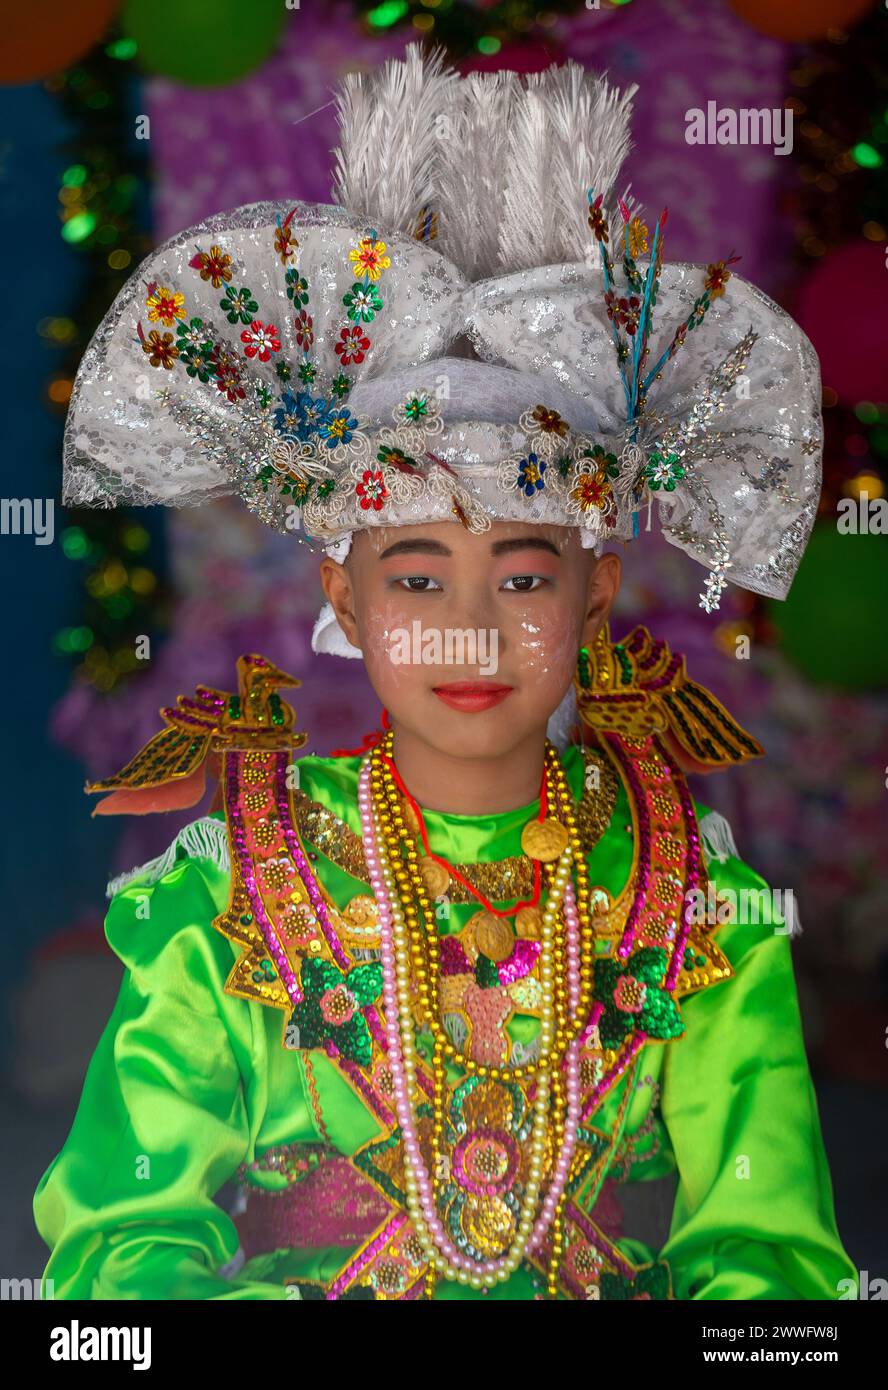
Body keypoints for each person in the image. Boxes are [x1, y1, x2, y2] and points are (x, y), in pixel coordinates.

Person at [34, 48, 856, 1301]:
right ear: (342, 597)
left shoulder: (692, 900)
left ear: (594, 589)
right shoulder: (237, 894)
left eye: (522, 578)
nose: (471, 631)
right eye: (416, 578)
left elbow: (770, 1261)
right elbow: (120, 1255)